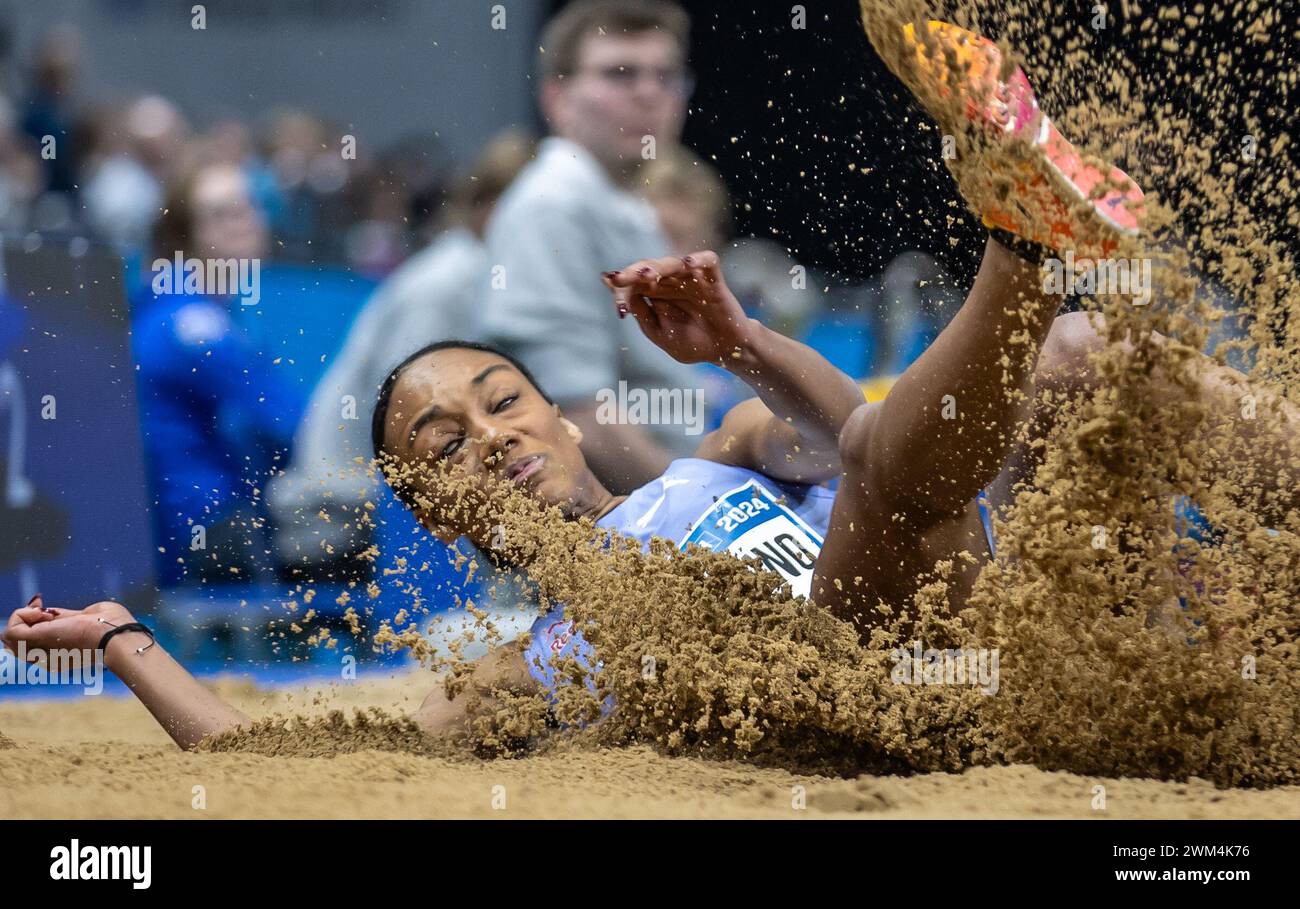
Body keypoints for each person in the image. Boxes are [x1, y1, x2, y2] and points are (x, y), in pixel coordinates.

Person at [7, 22, 1296, 748]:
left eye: (502, 402)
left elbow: (874, 435)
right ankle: (1021, 238)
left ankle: (1042, 262)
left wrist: (738, 342)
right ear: (434, 514)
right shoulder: (508, 673)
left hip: (994, 645)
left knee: (1081, 360)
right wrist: (120, 642)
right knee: (886, 473)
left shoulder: (716, 455)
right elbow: (258, 761)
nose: (488, 438)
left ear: (561, 419)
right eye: (442, 444)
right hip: (856, 704)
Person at [268, 132, 535, 572]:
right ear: (490, 208)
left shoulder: (485, 273)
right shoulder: (445, 286)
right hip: (346, 518)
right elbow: (414, 434)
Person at [478, 0, 699, 493]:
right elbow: (580, 419)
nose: (648, 93)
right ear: (557, 98)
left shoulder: (623, 206)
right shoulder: (551, 206)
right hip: (603, 544)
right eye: (620, 73)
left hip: (640, 521)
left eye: (666, 76)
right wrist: (699, 505)